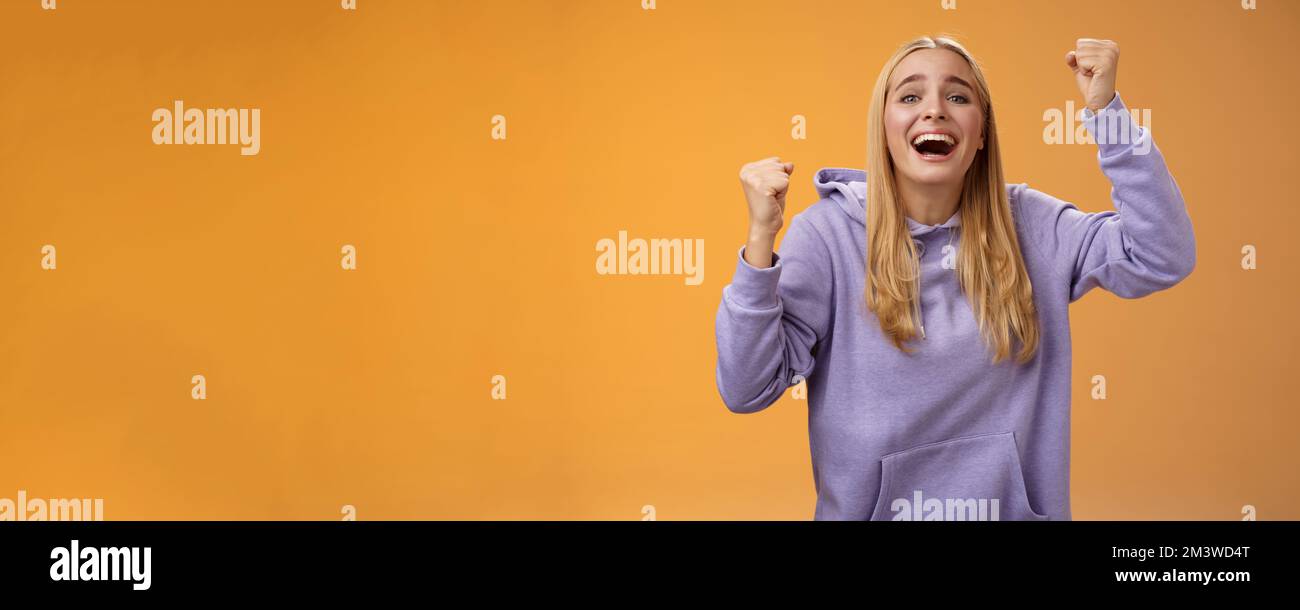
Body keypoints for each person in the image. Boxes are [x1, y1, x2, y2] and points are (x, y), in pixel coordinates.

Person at [714, 35, 1195, 520]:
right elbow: (747, 388)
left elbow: (1162, 254)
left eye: (958, 96)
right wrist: (760, 240)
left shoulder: (1033, 226)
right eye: (909, 96)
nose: (934, 110)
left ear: (981, 132)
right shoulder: (827, 237)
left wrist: (1108, 115)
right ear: (883, 128)